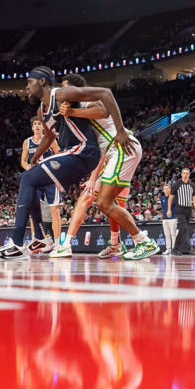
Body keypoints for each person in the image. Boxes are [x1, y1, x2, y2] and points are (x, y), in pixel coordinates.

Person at [0, 66, 141, 260]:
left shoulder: (64, 97)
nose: (26, 88)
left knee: (101, 201)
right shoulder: (44, 111)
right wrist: (34, 160)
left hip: (95, 149)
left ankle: (21, 243)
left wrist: (119, 130)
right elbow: (48, 137)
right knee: (31, 180)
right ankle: (43, 239)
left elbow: (104, 101)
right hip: (90, 154)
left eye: (29, 83)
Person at [49, 74, 150, 260]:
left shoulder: (88, 101)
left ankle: (143, 241)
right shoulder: (76, 109)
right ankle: (116, 244)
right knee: (106, 203)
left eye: (65, 88)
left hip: (121, 147)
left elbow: (103, 111)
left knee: (103, 202)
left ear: (75, 89)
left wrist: (71, 112)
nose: (62, 93)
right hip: (113, 153)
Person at [20, 117, 60, 253]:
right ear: (32, 128)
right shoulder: (27, 142)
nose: (37, 126)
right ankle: (36, 239)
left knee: (55, 210)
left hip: (49, 177)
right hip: (35, 178)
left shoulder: (50, 139)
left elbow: (59, 154)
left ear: (43, 127)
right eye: (35, 124)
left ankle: (58, 243)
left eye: (39, 124)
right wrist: (30, 169)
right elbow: (23, 162)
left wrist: (55, 168)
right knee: (34, 211)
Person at [168, 168, 195, 255]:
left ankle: (175, 249)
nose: (185, 174)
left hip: (189, 210)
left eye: (187, 173)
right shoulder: (176, 184)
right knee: (185, 229)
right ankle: (190, 248)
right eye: (184, 173)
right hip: (180, 209)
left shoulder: (192, 185)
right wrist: (169, 209)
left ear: (189, 175)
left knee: (182, 230)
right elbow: (170, 197)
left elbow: (194, 198)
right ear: (181, 174)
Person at [161, 184, 178, 255]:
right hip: (165, 219)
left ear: (170, 189)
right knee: (167, 235)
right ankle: (168, 249)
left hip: (173, 218)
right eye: (165, 189)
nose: (166, 190)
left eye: (167, 188)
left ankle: (174, 249)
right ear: (163, 190)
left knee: (173, 234)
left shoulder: (173, 197)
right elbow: (163, 208)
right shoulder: (162, 198)